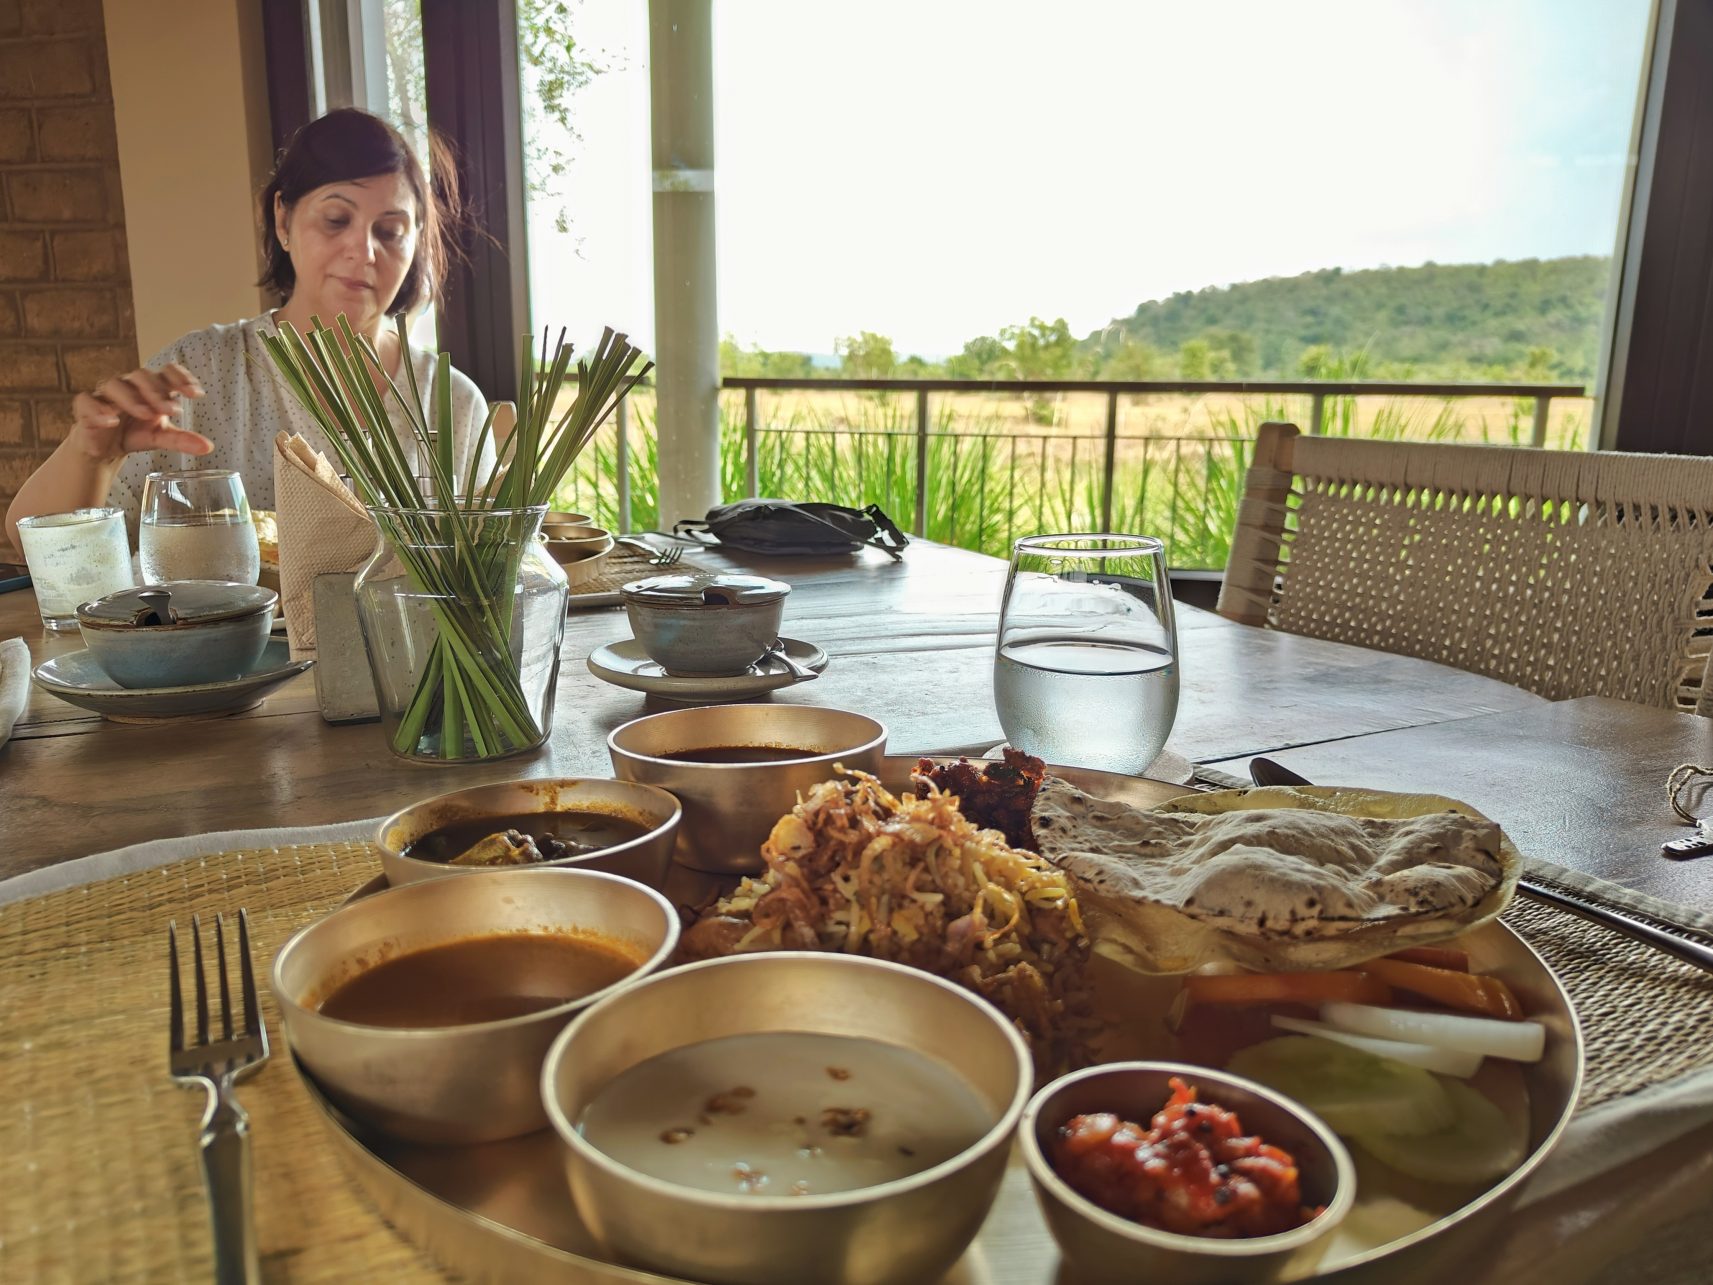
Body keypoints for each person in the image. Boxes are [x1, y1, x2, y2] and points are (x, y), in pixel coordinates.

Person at [4, 108, 494, 554]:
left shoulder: (451, 403)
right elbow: (37, 547)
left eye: (389, 231)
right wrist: (92, 457)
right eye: (335, 219)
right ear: (283, 219)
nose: (363, 251)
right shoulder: (201, 373)